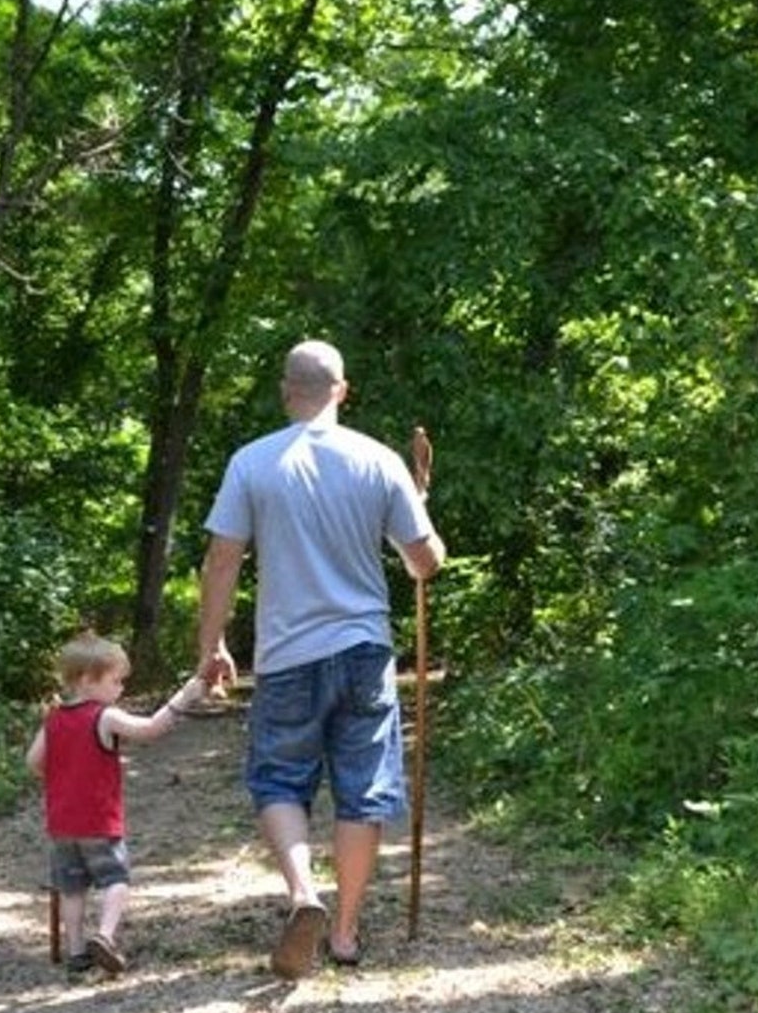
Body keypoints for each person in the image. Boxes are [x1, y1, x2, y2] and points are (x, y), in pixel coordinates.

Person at [197, 338, 445, 978]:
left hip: (286, 653)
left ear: (287, 391)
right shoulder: (378, 460)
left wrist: (212, 646)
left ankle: (304, 893)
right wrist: (419, 511)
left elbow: (222, 559)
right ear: (343, 390)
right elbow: (424, 563)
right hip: (364, 650)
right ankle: (344, 932)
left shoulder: (252, 462)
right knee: (363, 789)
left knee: (280, 780)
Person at [25, 633, 204, 977]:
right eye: (116, 681)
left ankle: (76, 951)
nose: (121, 688)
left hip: (62, 824)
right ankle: (105, 936)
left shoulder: (54, 719)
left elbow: (34, 762)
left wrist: (63, 776)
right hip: (99, 821)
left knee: (71, 888)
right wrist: (185, 696)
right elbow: (150, 729)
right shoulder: (104, 716)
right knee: (116, 879)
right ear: (87, 679)